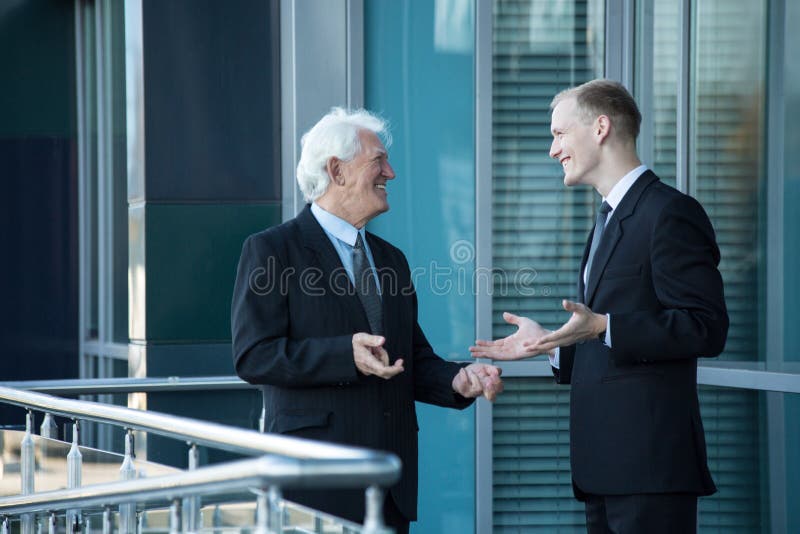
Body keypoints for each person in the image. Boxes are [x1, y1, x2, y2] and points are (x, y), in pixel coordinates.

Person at [470, 79, 728, 533]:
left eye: (559, 134)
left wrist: (603, 326)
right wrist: (552, 345)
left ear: (601, 127)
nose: (553, 150)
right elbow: (604, 331)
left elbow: (705, 327)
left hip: (650, 470)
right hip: (603, 469)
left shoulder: (670, 213)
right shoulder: (607, 218)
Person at [231, 107, 503, 533]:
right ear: (336, 170)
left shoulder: (391, 260)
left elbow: (410, 357)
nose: (390, 173)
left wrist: (458, 380)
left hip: (387, 486)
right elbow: (254, 356)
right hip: (314, 482)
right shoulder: (272, 250)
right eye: (379, 161)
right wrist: (345, 355)